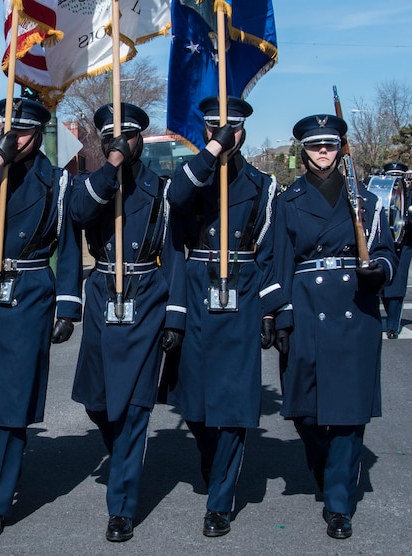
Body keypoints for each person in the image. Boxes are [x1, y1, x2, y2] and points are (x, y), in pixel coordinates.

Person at [0, 97, 83, 541]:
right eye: (10, 129)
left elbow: (68, 246)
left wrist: (68, 306)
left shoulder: (57, 181)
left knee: (9, 404)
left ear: (39, 134)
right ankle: (6, 461)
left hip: (27, 292)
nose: (16, 137)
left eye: (24, 132)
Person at [270, 114, 397, 540]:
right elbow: (278, 262)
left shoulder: (366, 202)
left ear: (341, 149)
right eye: (314, 145)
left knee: (347, 414)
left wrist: (379, 270)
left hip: (354, 309)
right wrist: (280, 313)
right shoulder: (288, 201)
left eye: (329, 145)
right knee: (305, 412)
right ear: (303, 151)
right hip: (306, 307)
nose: (322, 152)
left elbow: (386, 250)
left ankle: (339, 503)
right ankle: (322, 461)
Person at [68, 103, 186, 542]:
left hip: (145, 294)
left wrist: (175, 314)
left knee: (134, 407)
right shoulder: (92, 185)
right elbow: (79, 214)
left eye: (128, 136)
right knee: (97, 402)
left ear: (141, 139)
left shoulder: (162, 190)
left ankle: (121, 507)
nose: (119, 142)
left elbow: (174, 255)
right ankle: (123, 456)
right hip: (103, 292)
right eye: (110, 138)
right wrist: (111, 167)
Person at [166, 96, 282, 538]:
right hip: (198, 288)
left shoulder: (263, 184)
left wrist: (270, 313)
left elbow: (269, 252)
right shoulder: (191, 175)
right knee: (194, 403)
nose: (225, 133)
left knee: (233, 403)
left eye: (232, 127)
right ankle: (211, 455)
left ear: (244, 130)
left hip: (242, 291)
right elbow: (177, 198)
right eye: (215, 127)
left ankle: (220, 501)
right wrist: (213, 150)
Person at [379, 162, 412, 339]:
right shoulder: (379, 195)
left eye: (398, 176)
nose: (395, 180)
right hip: (382, 245)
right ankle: (386, 314)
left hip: (402, 246)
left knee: (397, 286)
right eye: (392, 176)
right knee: (381, 284)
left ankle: (393, 325)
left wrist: (411, 226)